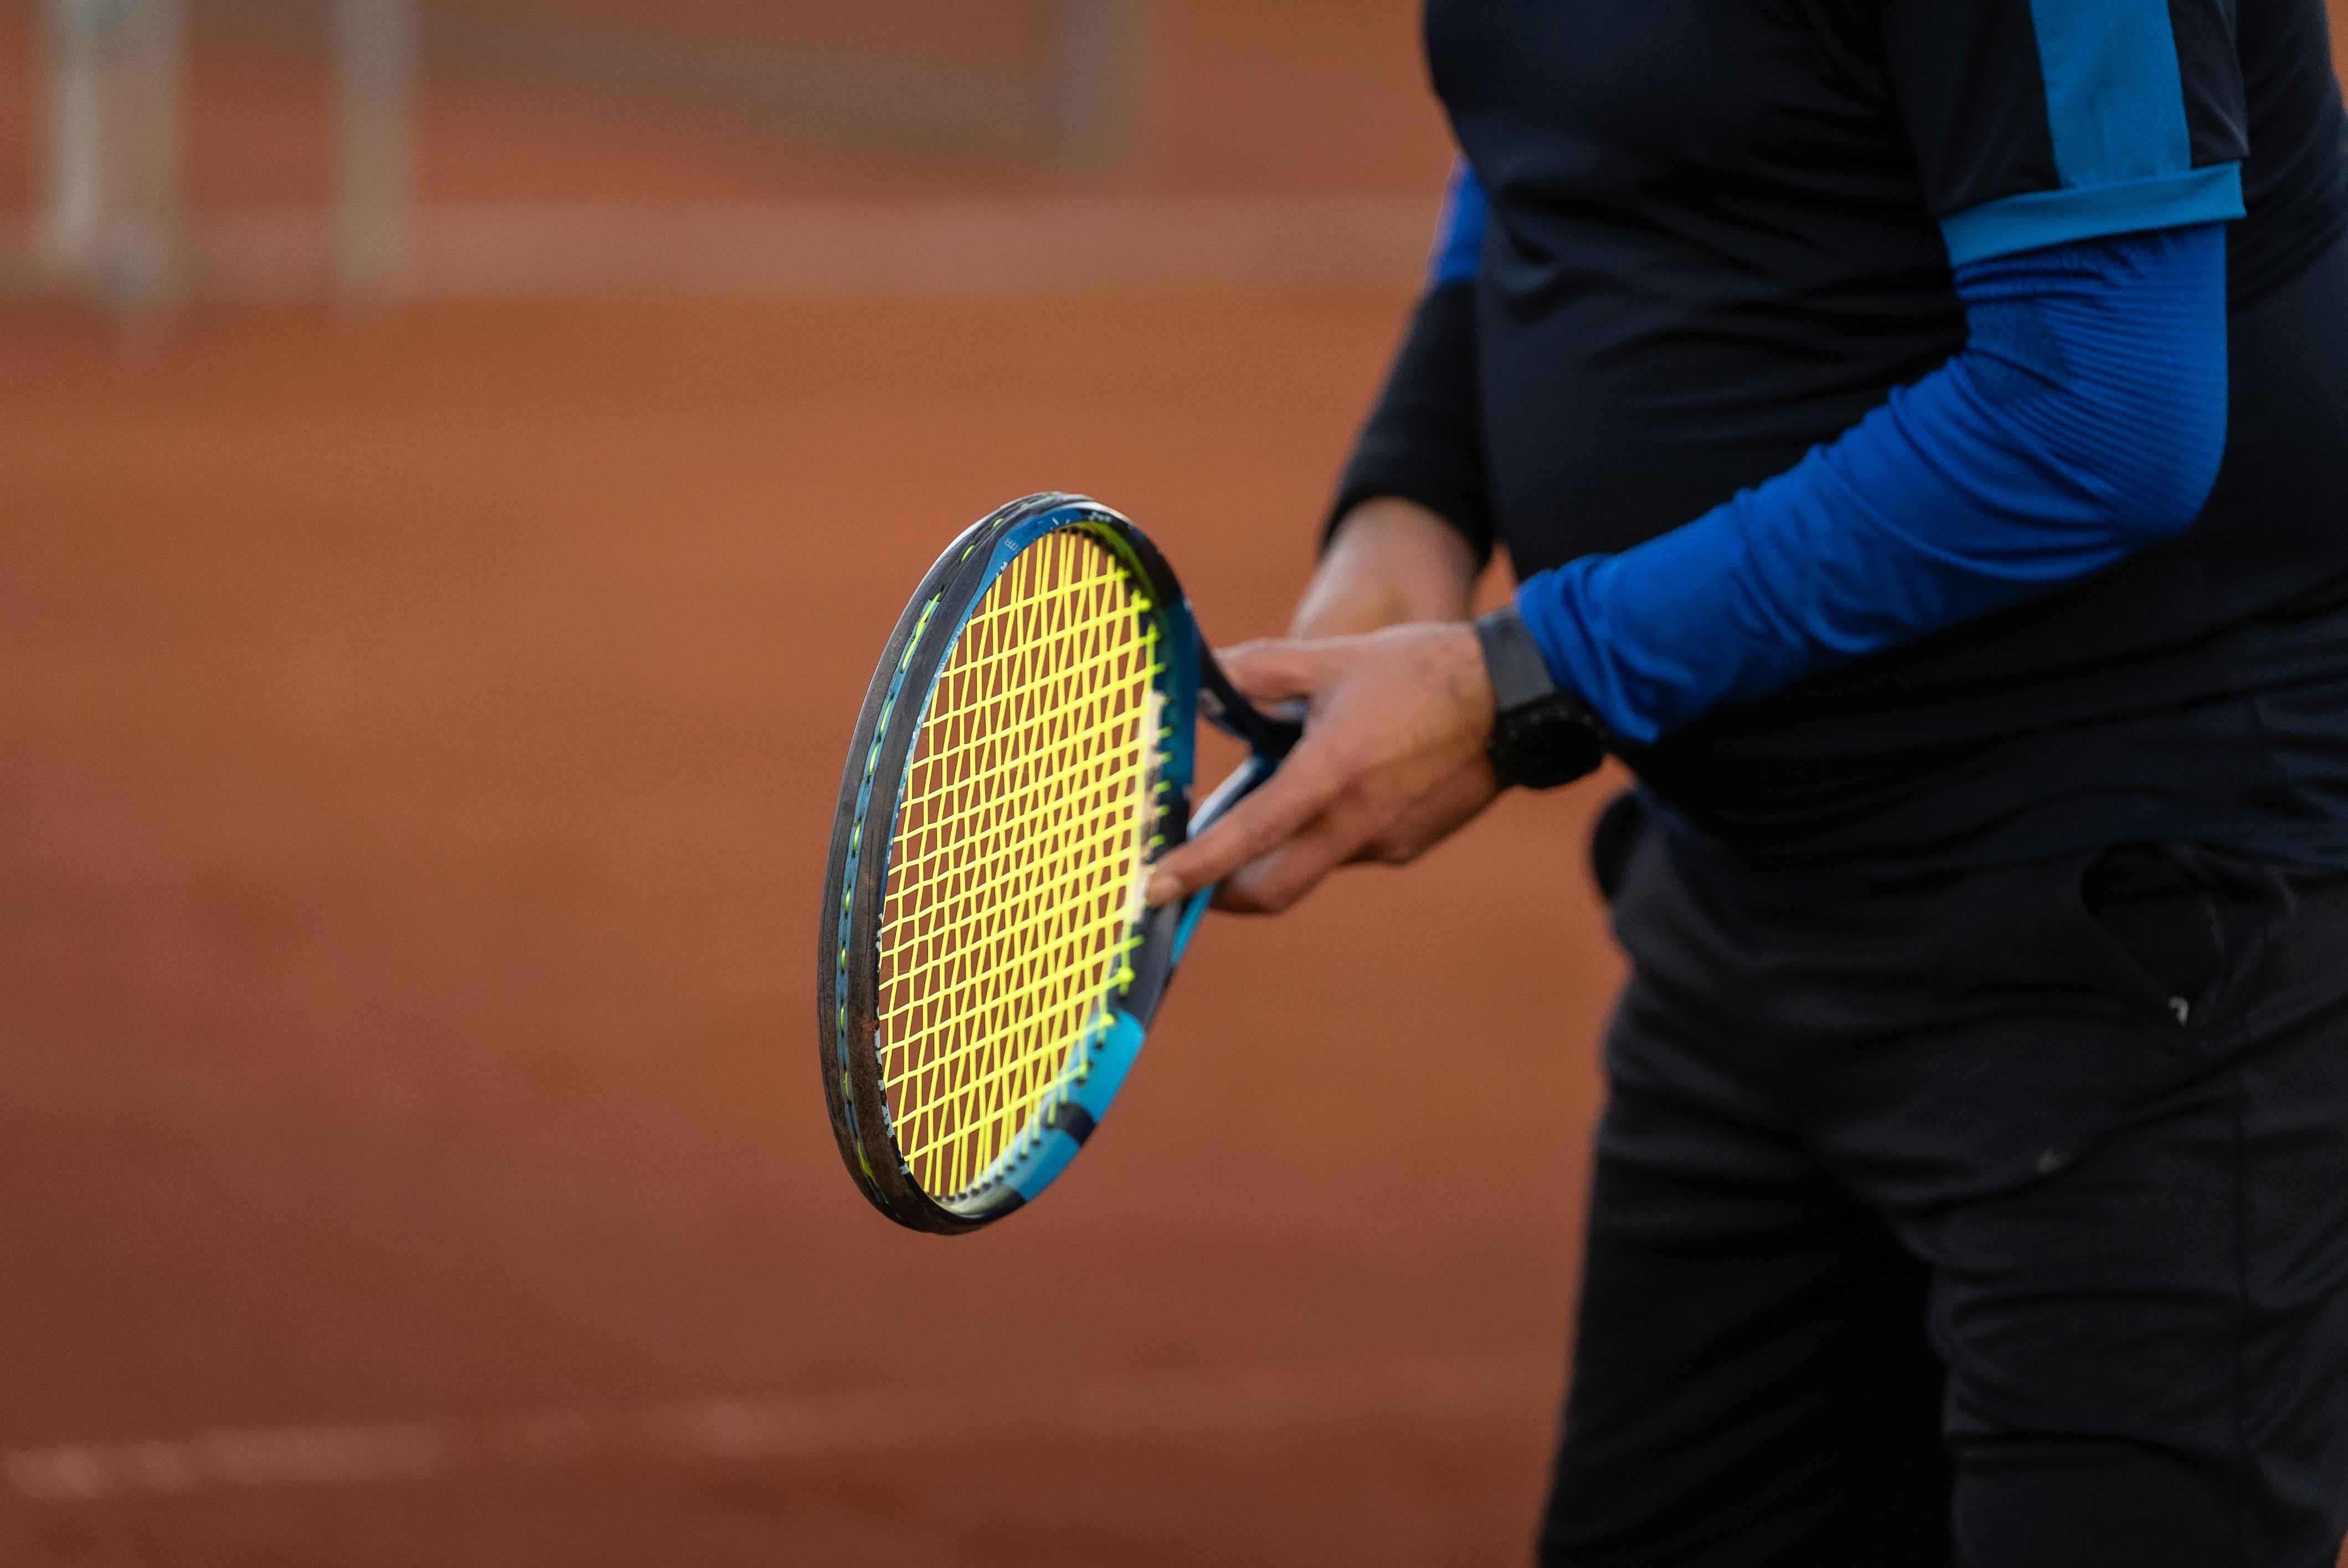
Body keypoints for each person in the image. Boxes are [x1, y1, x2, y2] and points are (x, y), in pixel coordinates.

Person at [1144, 1, 2348, 1562]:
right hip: (1745, 920)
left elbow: (2099, 413)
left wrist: (1532, 680)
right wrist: (1411, 510)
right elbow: (1551, 145)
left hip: (2136, 937)